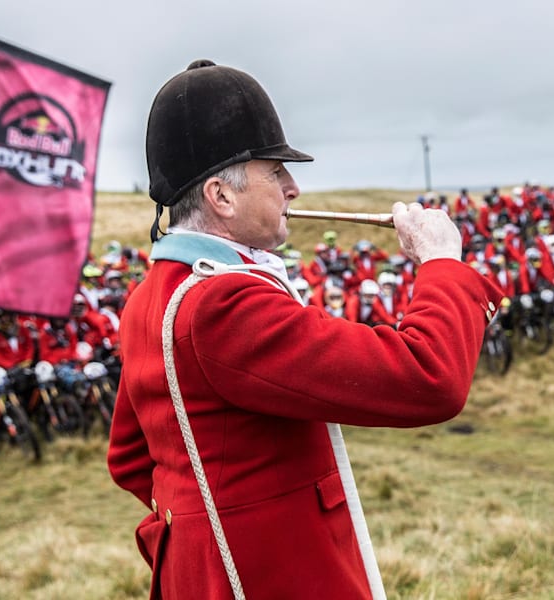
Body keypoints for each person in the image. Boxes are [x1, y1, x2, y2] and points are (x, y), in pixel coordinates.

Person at [107, 60, 504, 599]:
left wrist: (191, 527)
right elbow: (427, 378)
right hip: (267, 576)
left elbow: (131, 458)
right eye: (275, 172)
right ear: (221, 196)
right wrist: (441, 265)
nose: (293, 188)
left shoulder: (153, 295)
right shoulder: (220, 304)